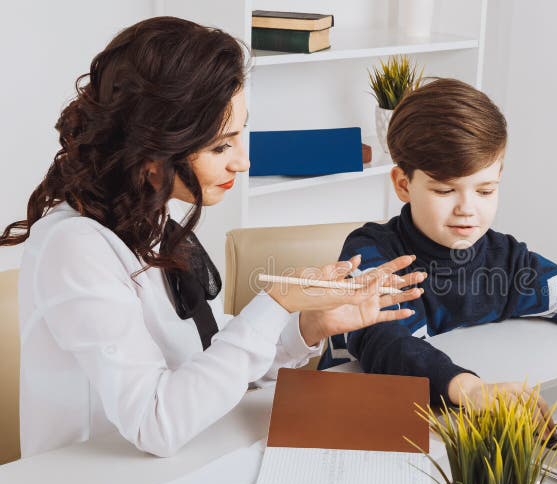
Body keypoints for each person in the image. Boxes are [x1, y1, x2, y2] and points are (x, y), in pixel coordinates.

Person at [0, 17, 424, 458]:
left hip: (174, 465)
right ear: (153, 151)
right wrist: (276, 302)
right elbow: (155, 423)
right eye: (221, 146)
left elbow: (209, 365)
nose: (243, 162)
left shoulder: (149, 217)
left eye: (241, 135)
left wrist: (308, 325)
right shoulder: (75, 248)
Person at [338, 78, 557, 409]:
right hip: (358, 412)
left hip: (453, 415)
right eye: (445, 190)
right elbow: (386, 343)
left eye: (485, 191)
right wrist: (467, 388)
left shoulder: (506, 261)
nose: (467, 208)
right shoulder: (371, 253)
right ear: (403, 184)